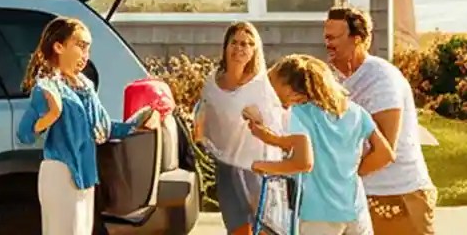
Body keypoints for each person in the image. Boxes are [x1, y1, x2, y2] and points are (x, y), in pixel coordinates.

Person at [16, 16, 159, 235]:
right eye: (80, 46)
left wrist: (139, 122)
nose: (85, 55)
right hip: (61, 173)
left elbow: (103, 128)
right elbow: (24, 134)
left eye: (88, 48)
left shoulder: (85, 86)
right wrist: (52, 114)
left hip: (85, 175)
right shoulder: (46, 88)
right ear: (59, 47)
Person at [246, 54, 396, 235]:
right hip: (355, 212)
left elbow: (303, 162)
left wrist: (260, 166)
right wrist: (347, 174)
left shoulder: (300, 113)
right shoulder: (356, 112)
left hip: (318, 216)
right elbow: (385, 154)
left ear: (291, 89)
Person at [325, 6, 437, 235]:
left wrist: (338, 179)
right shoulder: (331, 77)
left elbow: (383, 151)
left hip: (397, 197)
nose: (327, 43)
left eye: (333, 37)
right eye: (325, 36)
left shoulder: (380, 78)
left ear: (357, 39)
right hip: (358, 197)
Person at [193, 22, 286, 235]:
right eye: (234, 42)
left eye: (247, 44)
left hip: (254, 166)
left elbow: (276, 126)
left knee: (263, 226)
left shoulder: (259, 85)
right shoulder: (212, 80)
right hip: (225, 163)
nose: (239, 48)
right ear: (226, 46)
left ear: (254, 51)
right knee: (236, 226)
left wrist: (259, 119)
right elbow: (204, 114)